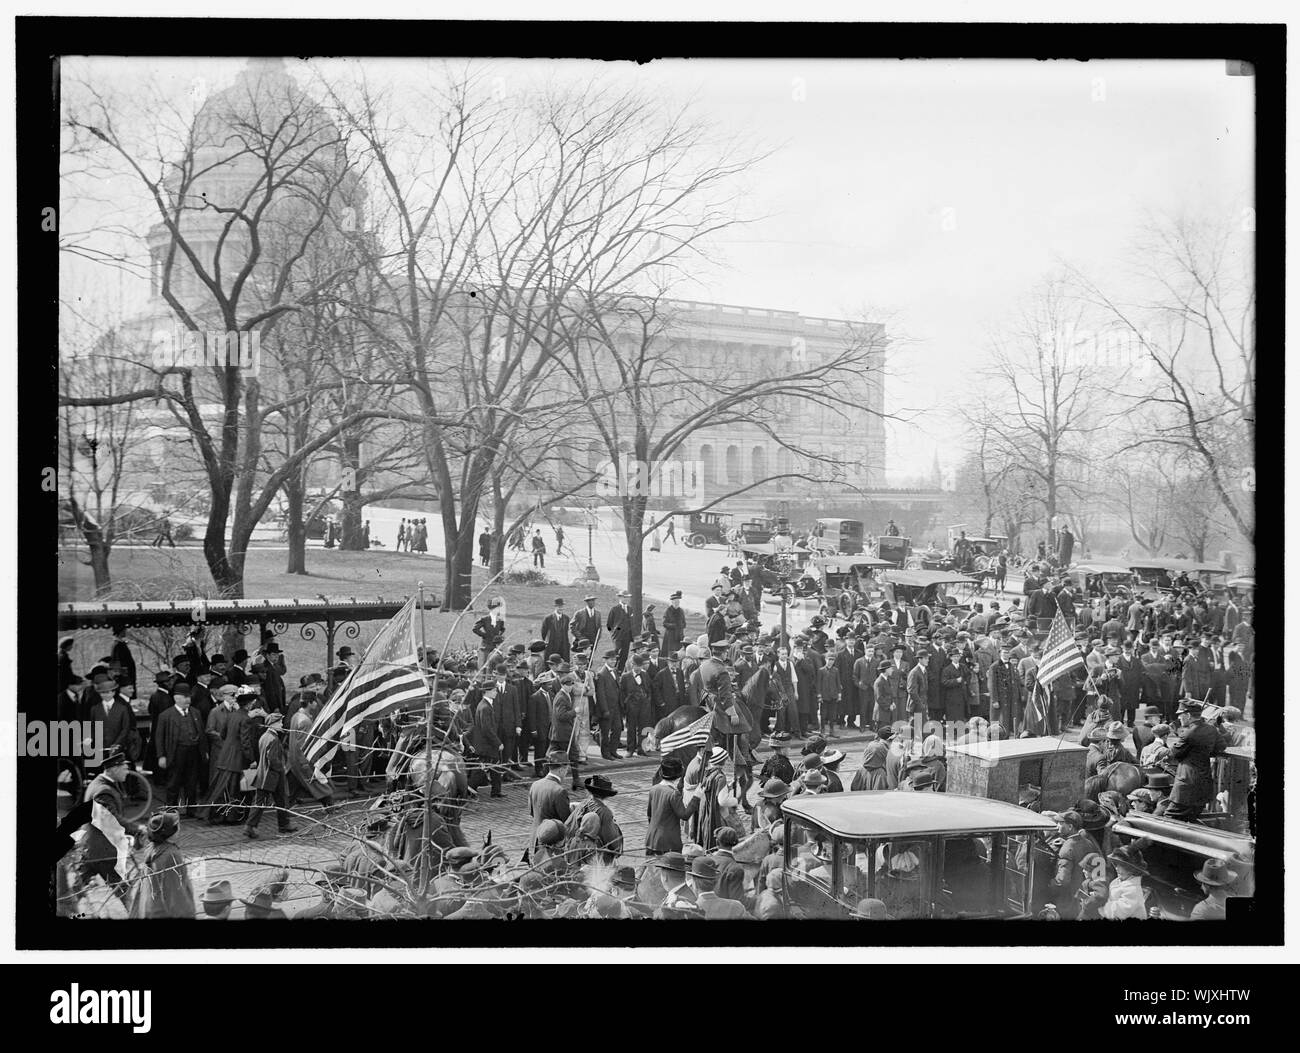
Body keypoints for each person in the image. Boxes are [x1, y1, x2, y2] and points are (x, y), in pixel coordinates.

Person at [1165, 700, 1225, 823]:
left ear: (1188, 715)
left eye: (1180, 715)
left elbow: (1174, 754)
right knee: (1190, 820)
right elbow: (1221, 747)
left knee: (1169, 819)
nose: (1179, 718)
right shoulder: (1211, 729)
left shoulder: (1188, 733)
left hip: (1186, 788)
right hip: (1203, 787)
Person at [153, 680, 207, 814]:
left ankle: (191, 809)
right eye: (185, 697)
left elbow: (202, 733)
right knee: (173, 783)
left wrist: (204, 751)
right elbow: (159, 738)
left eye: (189, 697)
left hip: (193, 751)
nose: (188, 700)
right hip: (175, 752)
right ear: (176, 698)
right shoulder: (166, 716)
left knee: (192, 781)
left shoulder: (195, 712)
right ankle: (171, 810)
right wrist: (161, 756)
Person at [130, 810, 196, 919]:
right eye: (177, 826)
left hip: (151, 908)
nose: (179, 828)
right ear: (170, 832)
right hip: (164, 912)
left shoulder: (152, 848)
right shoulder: (171, 856)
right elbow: (176, 894)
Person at [244, 714, 299, 839]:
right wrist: (282, 768)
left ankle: (252, 826)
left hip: (263, 774)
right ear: (273, 724)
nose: (281, 725)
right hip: (272, 775)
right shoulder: (273, 739)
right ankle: (281, 825)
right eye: (279, 723)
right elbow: (273, 759)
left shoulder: (264, 737)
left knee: (263, 801)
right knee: (278, 800)